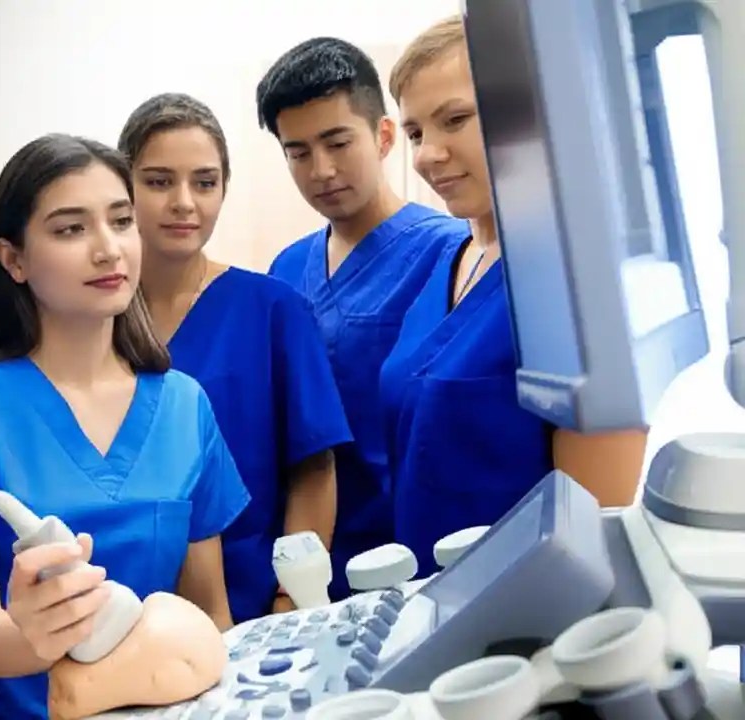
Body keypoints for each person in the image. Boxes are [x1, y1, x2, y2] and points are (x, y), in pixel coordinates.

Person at [0, 133, 251, 718]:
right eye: (71, 229)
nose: (108, 250)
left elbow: (209, 614)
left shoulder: (184, 405)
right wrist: (38, 633)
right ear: (14, 259)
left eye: (121, 221)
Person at [380, 16, 648, 572]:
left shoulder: (575, 284)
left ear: (532, 111)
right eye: (414, 133)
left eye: (454, 120)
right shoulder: (445, 260)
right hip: (428, 611)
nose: (428, 154)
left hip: (524, 628)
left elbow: (595, 538)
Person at [117, 93, 351, 622]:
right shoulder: (93, 319)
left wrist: (291, 601)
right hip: (120, 612)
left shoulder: (274, 311)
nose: (184, 202)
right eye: (158, 181)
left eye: (204, 182)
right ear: (123, 187)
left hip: (251, 608)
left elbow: (314, 469)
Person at [256, 37, 471, 598]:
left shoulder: (451, 254)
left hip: (418, 561)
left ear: (382, 136)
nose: (321, 170)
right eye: (298, 152)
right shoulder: (285, 269)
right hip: (311, 569)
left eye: (337, 142)